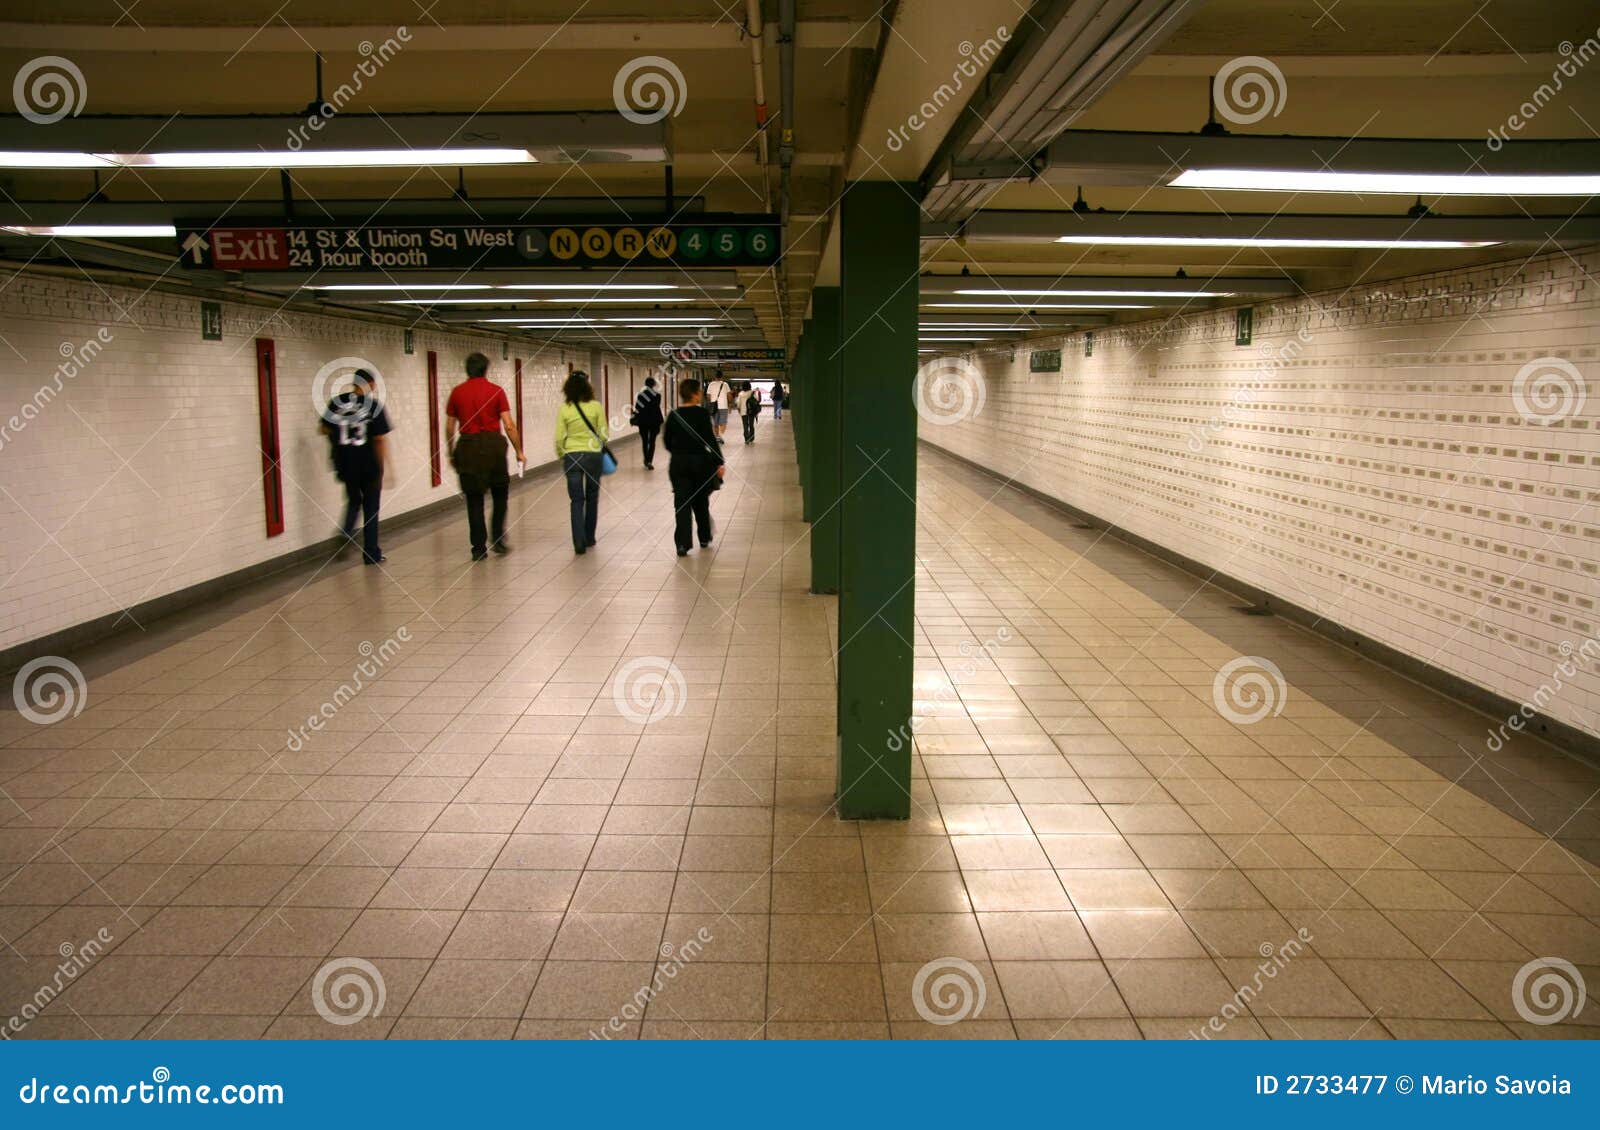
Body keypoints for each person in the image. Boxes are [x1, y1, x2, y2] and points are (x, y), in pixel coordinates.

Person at [446, 352, 526, 562]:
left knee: (474, 499)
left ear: (467, 369)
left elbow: (449, 426)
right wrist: (519, 450)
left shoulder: (457, 393)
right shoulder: (496, 391)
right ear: (485, 369)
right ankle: (498, 538)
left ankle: (478, 548)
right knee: (500, 494)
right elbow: (508, 424)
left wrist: (451, 452)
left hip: (468, 447)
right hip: (494, 448)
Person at [320, 368, 390, 565]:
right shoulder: (373, 406)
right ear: (370, 384)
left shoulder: (336, 403)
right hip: (368, 465)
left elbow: (323, 428)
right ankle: (371, 553)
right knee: (371, 508)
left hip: (345, 464)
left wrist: (338, 440)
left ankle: (345, 531)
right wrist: (384, 468)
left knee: (353, 501)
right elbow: (378, 439)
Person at [663, 377, 725, 556]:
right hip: (700, 464)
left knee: (681, 504)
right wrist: (719, 462)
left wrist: (679, 451)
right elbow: (710, 440)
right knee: (700, 502)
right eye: (699, 392)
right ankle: (704, 537)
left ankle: (682, 544)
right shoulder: (702, 414)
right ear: (694, 394)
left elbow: (667, 442)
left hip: (679, 464)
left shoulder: (673, 415)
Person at [553, 369, 607, 555]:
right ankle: (589, 536)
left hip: (572, 456)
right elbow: (604, 434)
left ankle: (578, 542)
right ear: (588, 386)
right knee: (592, 497)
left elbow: (559, 438)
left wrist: (563, 454)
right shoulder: (596, 406)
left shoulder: (564, 409)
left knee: (576, 500)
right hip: (593, 456)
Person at [632, 375, 664, 469]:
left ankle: (646, 460)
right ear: (654, 384)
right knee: (652, 441)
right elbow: (656, 407)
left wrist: (634, 417)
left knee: (645, 441)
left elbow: (638, 407)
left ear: (645, 384)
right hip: (654, 421)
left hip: (643, 421)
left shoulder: (640, 395)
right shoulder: (657, 395)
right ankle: (650, 461)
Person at [704, 370, 731, 444]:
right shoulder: (725, 384)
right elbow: (729, 396)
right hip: (723, 406)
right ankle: (719, 436)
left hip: (714, 407)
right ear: (722, 376)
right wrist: (730, 404)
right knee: (722, 423)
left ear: (715, 376)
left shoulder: (711, 384)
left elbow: (708, 396)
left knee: (715, 423)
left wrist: (712, 402)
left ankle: (718, 436)